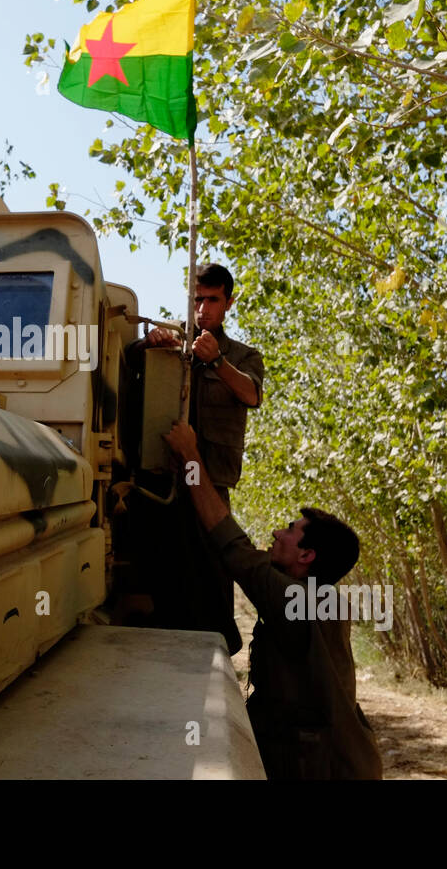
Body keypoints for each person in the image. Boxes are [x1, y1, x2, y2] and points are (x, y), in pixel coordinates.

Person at [163, 419, 383, 780]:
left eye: (290, 531)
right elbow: (249, 553)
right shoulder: (322, 595)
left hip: (324, 768)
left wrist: (190, 456)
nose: (277, 532)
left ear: (306, 556)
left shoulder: (292, 602)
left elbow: (233, 546)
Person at [133, 263, 264, 510]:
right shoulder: (170, 335)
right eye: (197, 299)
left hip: (204, 480)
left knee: (208, 542)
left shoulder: (243, 356)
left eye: (213, 300)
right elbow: (126, 362)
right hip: (157, 475)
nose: (203, 309)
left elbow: (252, 395)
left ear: (229, 303)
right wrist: (148, 345)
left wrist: (217, 361)